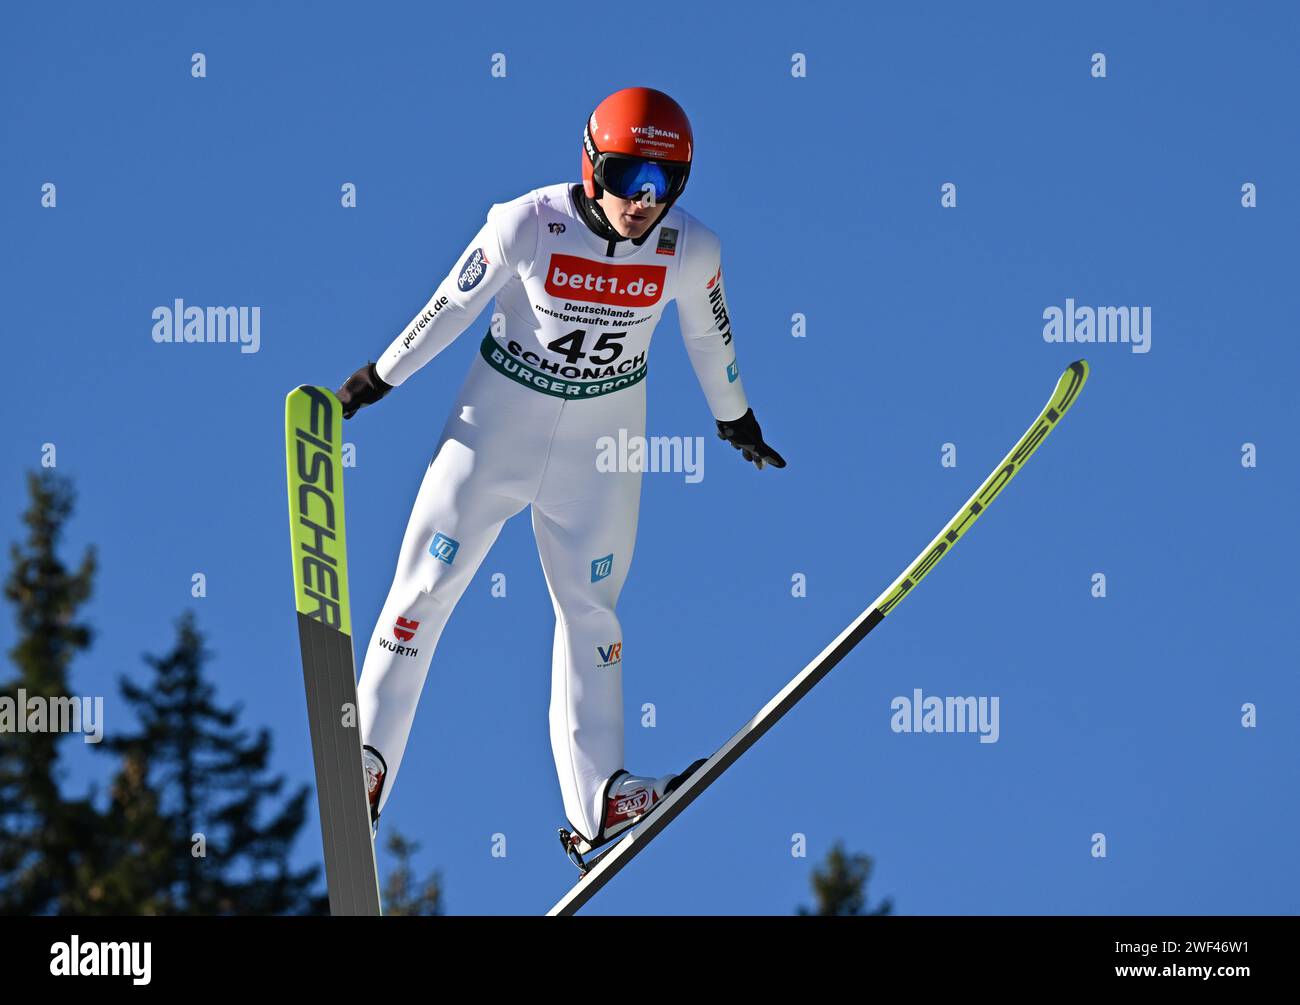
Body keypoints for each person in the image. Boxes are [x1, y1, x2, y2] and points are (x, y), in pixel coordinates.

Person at [336, 86, 786, 862]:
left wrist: (734, 416)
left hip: (600, 453)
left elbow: (712, 336)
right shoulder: (525, 223)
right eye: (625, 177)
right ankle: (366, 762)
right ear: (589, 164)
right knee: (422, 590)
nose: (642, 202)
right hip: (491, 438)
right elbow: (448, 305)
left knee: (592, 612)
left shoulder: (690, 249)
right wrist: (377, 378)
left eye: (664, 184)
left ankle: (600, 799)